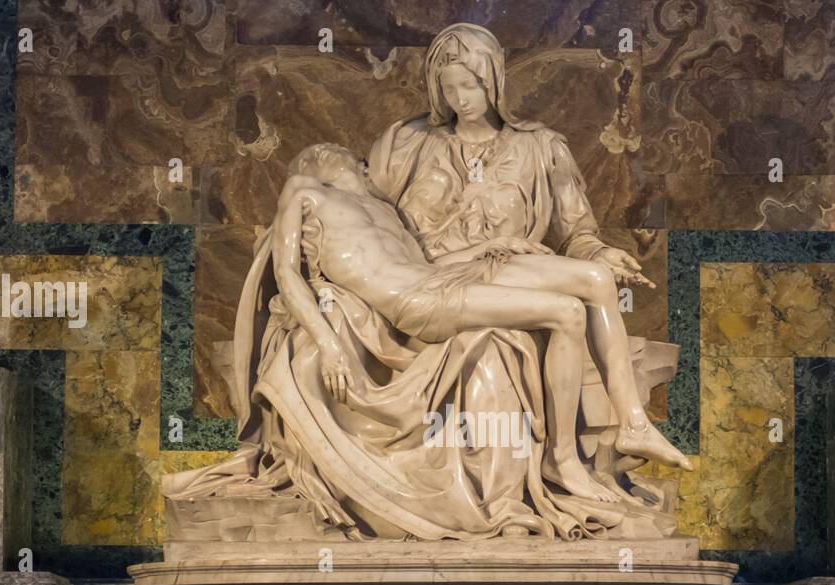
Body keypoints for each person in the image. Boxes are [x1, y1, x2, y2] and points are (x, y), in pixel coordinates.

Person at [272, 142, 691, 502]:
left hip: (438, 279)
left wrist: (492, 246)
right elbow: (286, 273)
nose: (365, 165)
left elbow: (421, 263)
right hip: (418, 302)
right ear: (324, 159)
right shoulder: (305, 190)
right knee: (566, 312)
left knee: (595, 280)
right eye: (354, 159)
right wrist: (326, 343)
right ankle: (562, 460)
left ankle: (635, 423)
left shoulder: (382, 210)